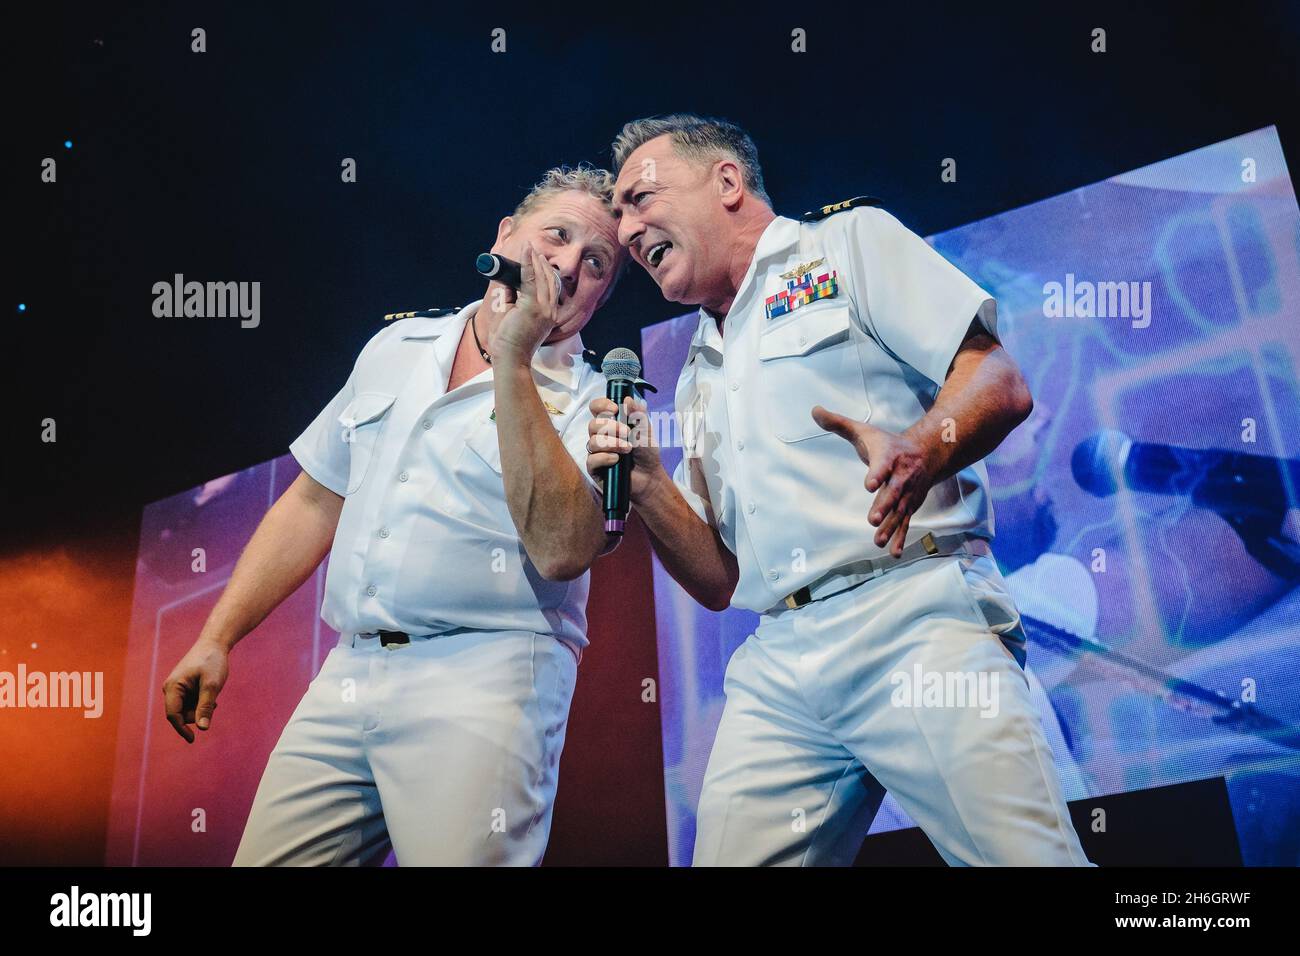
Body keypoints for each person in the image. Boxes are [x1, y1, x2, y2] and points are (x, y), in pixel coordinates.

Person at [587, 114, 1093, 866]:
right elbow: (721, 581)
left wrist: (920, 450)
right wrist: (652, 486)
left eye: (639, 197)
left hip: (913, 615)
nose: (626, 227)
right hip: (780, 660)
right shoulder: (695, 369)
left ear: (727, 181)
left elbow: (999, 380)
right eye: (619, 213)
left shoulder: (848, 243)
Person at [162, 164, 625, 865]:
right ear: (504, 235)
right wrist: (218, 637)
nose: (565, 264)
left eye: (595, 264)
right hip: (351, 667)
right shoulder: (397, 347)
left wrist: (515, 358)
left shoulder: (595, 401)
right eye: (555, 237)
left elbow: (563, 552)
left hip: (487, 682)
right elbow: (314, 500)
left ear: (601, 296)